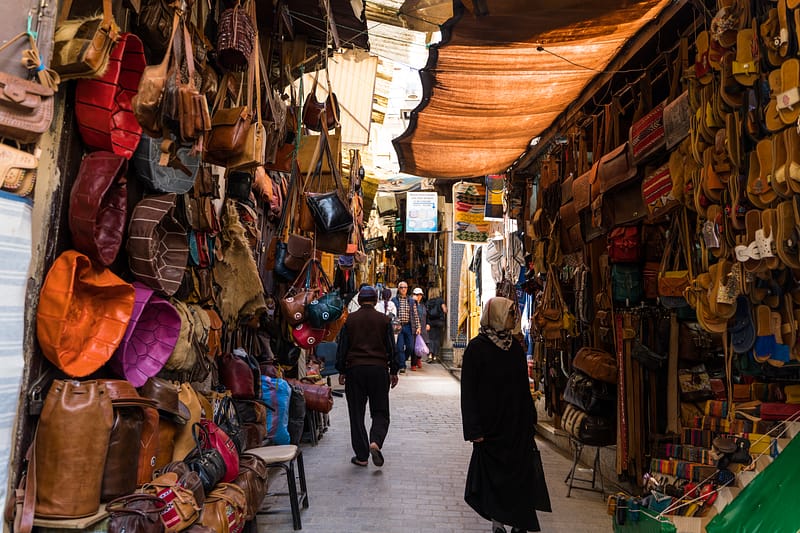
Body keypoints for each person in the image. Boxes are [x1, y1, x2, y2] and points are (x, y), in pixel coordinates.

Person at [460, 297, 551, 533]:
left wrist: (530, 418)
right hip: (490, 429)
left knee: (518, 476)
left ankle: (519, 522)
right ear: (497, 316)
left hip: (516, 426)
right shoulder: (476, 348)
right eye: (510, 314)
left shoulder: (515, 349)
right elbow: (468, 392)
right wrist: (474, 429)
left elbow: (523, 387)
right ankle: (497, 523)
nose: (513, 319)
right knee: (494, 478)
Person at [335, 285, 399, 467]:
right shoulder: (384, 320)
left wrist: (341, 370)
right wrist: (394, 370)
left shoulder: (350, 320)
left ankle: (362, 456)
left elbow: (343, 347)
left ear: (360, 301)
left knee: (356, 413)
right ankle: (375, 441)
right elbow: (391, 347)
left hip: (355, 371)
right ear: (376, 300)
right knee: (380, 412)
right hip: (379, 370)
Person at [391, 281, 421, 372]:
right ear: (398, 289)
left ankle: (402, 359)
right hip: (398, 326)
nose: (403, 289)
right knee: (399, 347)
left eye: (405, 287)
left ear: (407, 289)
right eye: (401, 287)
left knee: (410, 346)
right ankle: (402, 365)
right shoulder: (394, 300)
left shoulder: (411, 301)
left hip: (408, 326)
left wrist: (418, 326)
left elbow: (415, 314)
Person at [425, 288, 447, 363]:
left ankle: (430, 354)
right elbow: (445, 310)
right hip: (439, 322)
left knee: (431, 338)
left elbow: (426, 313)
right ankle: (436, 356)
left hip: (430, 322)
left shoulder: (428, 302)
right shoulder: (440, 300)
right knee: (437, 338)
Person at [412, 287, 429, 370]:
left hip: (423, 327)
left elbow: (427, 315)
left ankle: (419, 359)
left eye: (420, 295)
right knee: (414, 345)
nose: (419, 296)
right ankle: (414, 363)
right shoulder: (412, 304)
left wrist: (428, 323)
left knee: (422, 344)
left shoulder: (423, 305)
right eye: (417, 294)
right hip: (414, 328)